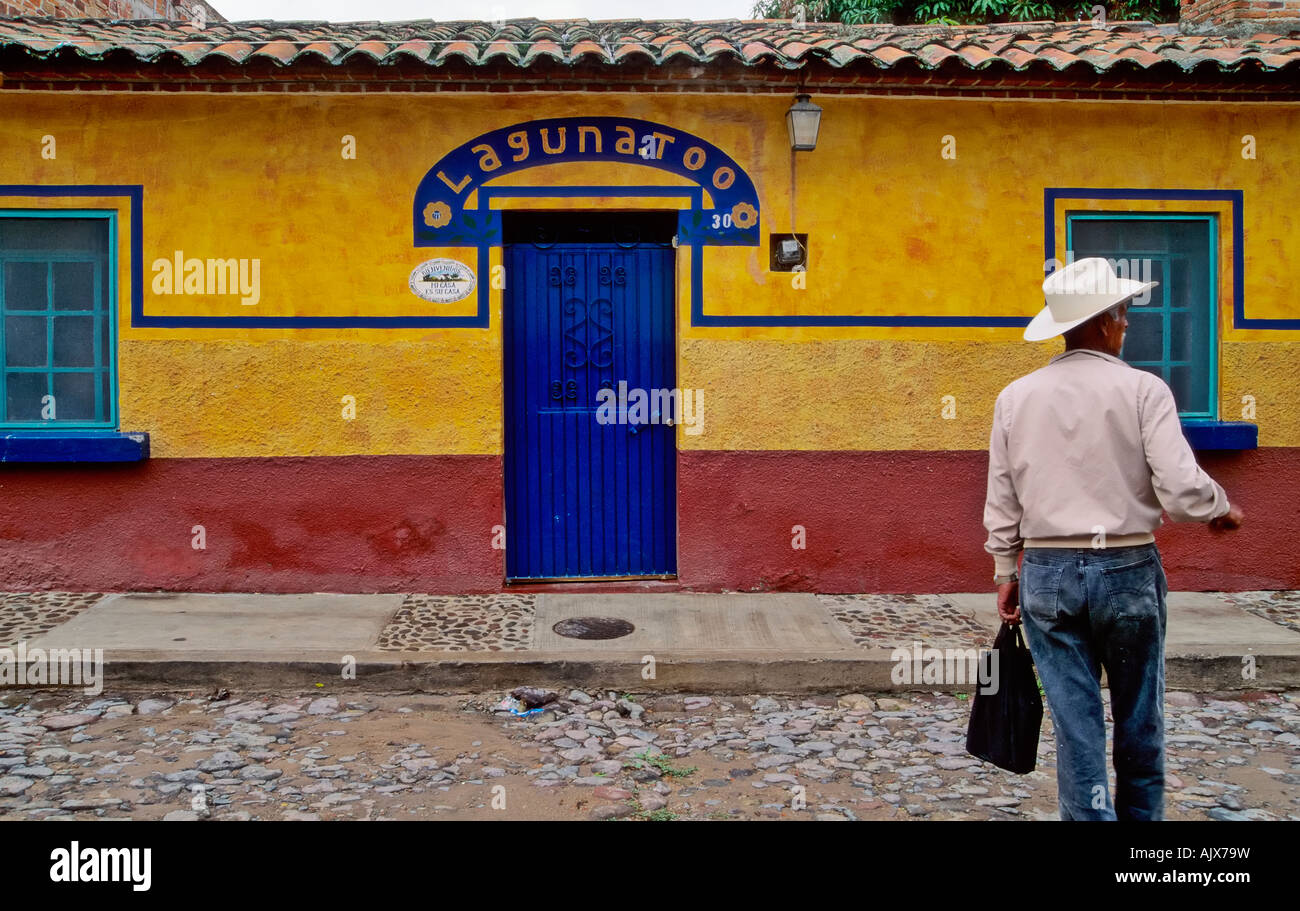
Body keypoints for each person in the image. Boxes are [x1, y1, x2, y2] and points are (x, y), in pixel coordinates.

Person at [982, 257, 1244, 821]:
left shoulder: (1015, 397)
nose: (1127, 326)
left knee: (1078, 728)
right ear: (1104, 322)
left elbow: (1003, 498)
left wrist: (1006, 573)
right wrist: (1218, 509)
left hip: (1047, 575)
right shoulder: (1144, 390)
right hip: (1126, 570)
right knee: (1139, 720)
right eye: (1124, 316)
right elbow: (1179, 488)